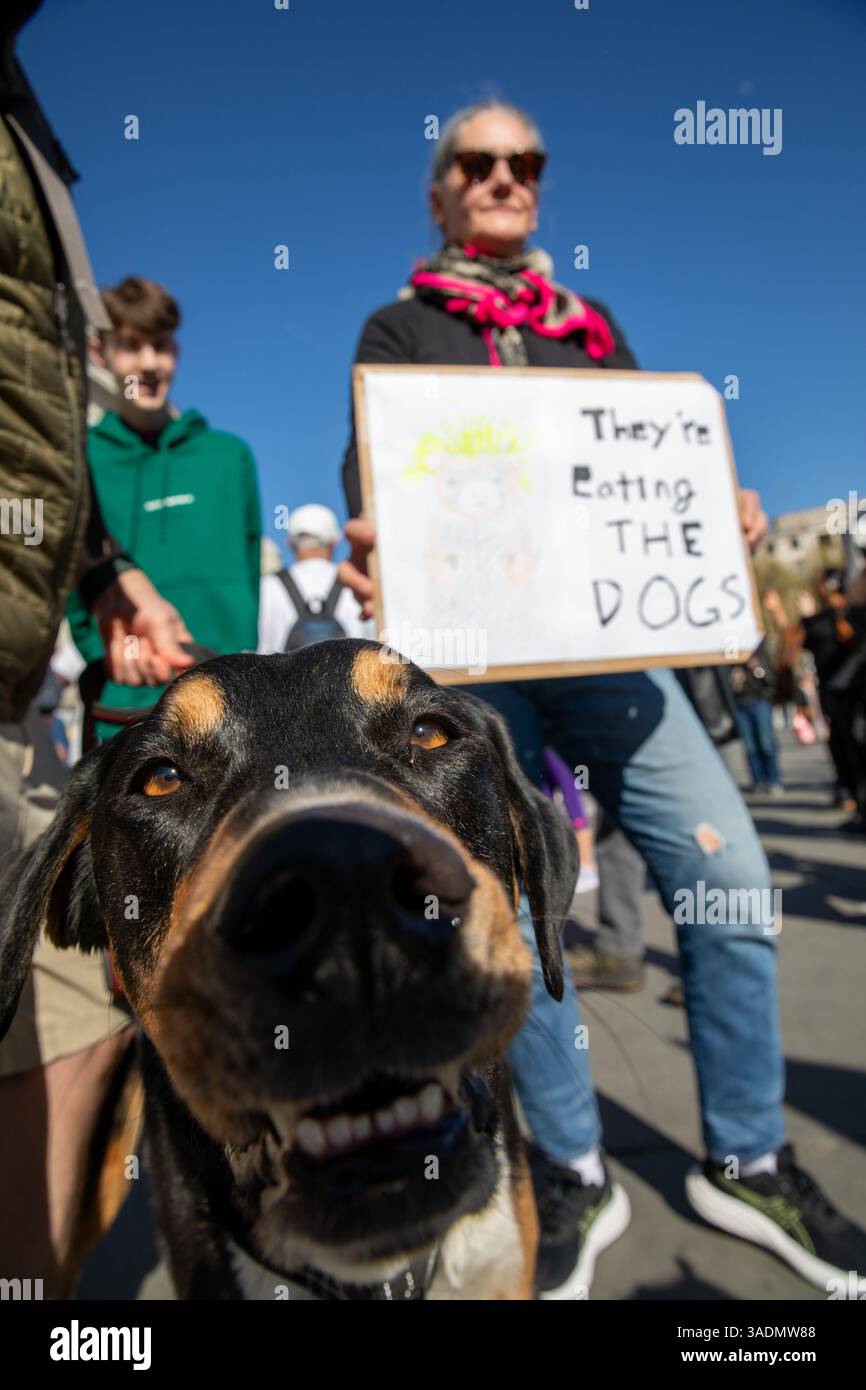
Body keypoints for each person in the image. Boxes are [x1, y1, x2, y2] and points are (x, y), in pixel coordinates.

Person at [338, 100, 866, 1297]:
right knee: (516, 913)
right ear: (439, 192)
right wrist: (377, 521)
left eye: (522, 162)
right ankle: (572, 1164)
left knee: (729, 876)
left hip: (609, 653)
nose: (501, 178)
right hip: (476, 665)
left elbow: (647, 452)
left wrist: (716, 502)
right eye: (474, 162)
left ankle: (744, 1154)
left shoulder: (589, 330)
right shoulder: (400, 326)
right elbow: (367, 469)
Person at [0, 3, 195, 1297]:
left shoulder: (29, 125)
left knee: (70, 995)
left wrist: (103, 565)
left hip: (16, 672)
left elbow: (27, 387)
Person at [65, 276, 262, 742]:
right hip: (122, 703)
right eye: (131, 346)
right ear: (101, 353)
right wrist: (104, 649)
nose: (150, 363)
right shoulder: (79, 457)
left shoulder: (228, 455)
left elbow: (249, 571)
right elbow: (75, 571)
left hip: (227, 700)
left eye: (162, 346)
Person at [258, 503, 372, 653]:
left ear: (290, 542)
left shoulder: (267, 586)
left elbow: (258, 650)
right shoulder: (357, 584)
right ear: (335, 541)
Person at [729, 641, 783, 794]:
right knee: (750, 746)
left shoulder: (757, 651)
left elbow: (770, 679)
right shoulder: (729, 660)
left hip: (758, 700)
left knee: (766, 742)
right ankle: (758, 780)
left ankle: (773, 779)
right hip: (739, 703)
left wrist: (756, 668)